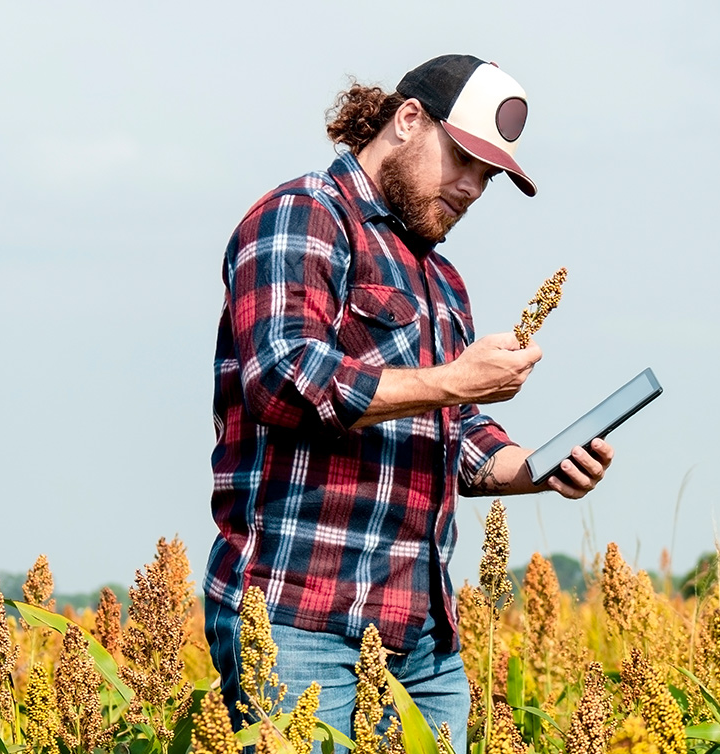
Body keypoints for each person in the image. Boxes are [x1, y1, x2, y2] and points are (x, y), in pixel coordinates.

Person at [202, 54, 613, 747]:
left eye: (488, 176)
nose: (473, 188)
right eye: (462, 159)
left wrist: (533, 468)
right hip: (302, 624)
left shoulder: (442, 277)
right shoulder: (303, 216)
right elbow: (281, 377)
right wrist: (454, 378)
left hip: (424, 638)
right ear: (408, 119)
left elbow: (454, 425)